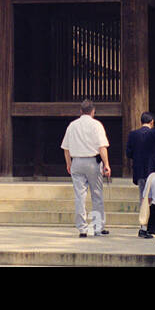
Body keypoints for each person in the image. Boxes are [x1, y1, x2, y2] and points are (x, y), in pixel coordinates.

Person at [61, 99, 111, 237]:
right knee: (97, 195)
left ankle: (82, 228)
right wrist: (106, 164)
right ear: (93, 111)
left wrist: (69, 164)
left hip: (76, 161)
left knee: (79, 196)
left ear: (81, 111)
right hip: (92, 162)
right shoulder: (96, 125)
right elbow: (102, 147)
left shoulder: (72, 125)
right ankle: (97, 227)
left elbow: (66, 148)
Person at [127, 111, 155, 237]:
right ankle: (151, 226)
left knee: (143, 197)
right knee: (154, 198)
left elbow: (128, 153)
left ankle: (143, 226)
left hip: (140, 170)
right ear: (152, 122)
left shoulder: (133, 134)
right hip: (153, 169)